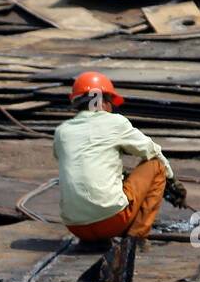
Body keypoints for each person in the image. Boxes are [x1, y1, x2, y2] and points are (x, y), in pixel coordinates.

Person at [53, 70, 187, 250]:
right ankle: (137, 237)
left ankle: (93, 242)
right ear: (105, 101)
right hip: (112, 221)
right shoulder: (115, 122)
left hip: (76, 227)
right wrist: (173, 182)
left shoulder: (62, 132)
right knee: (156, 166)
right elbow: (153, 151)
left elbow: (79, 162)